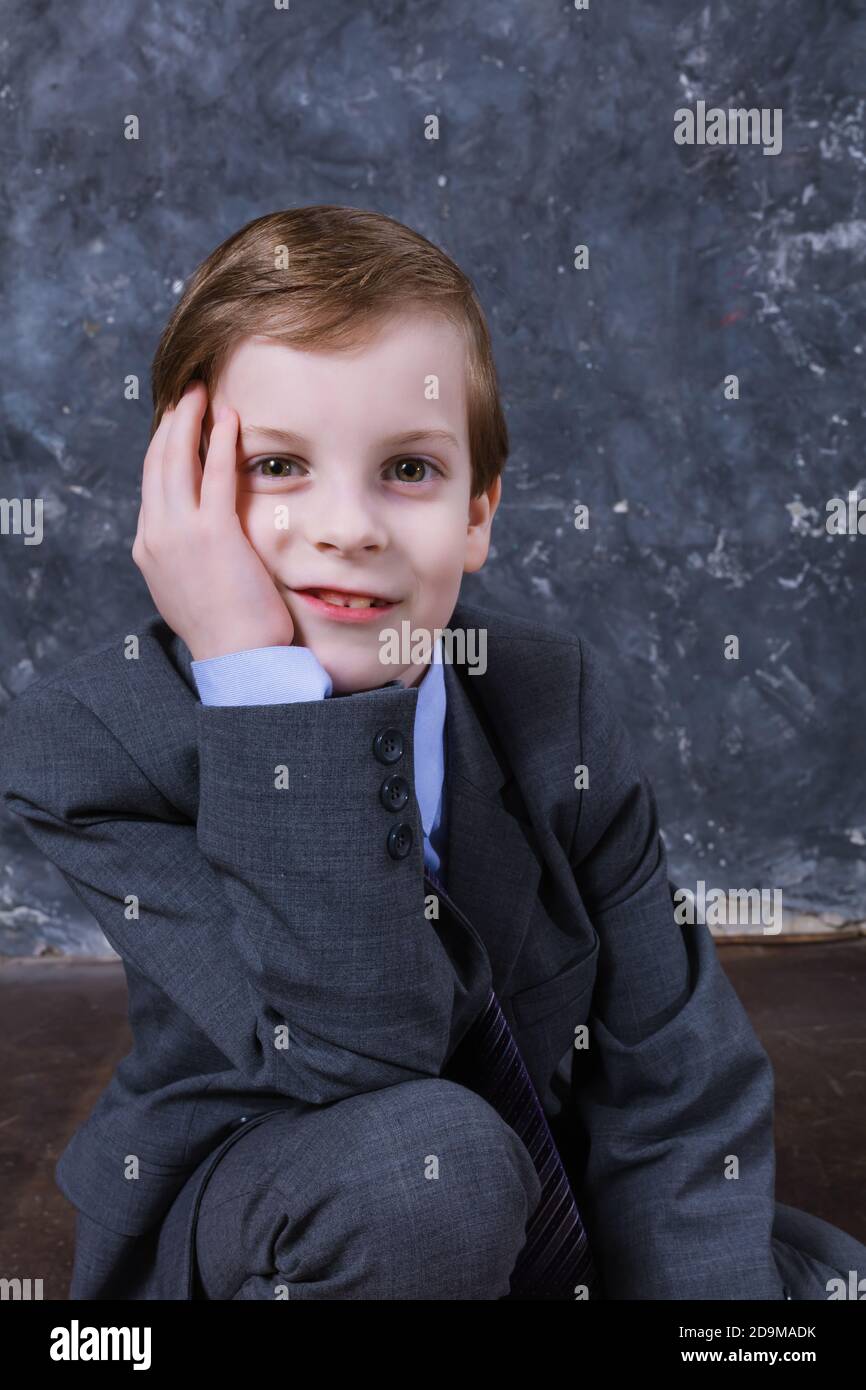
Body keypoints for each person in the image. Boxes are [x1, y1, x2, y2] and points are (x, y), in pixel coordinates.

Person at [2, 205, 864, 1300]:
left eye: (407, 470)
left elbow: (674, 1078)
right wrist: (265, 692)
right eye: (277, 465)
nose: (348, 525)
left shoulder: (553, 701)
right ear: (182, 499)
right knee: (434, 1169)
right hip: (279, 1211)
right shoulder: (93, 744)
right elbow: (354, 1050)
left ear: (477, 512)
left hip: (530, 1221)